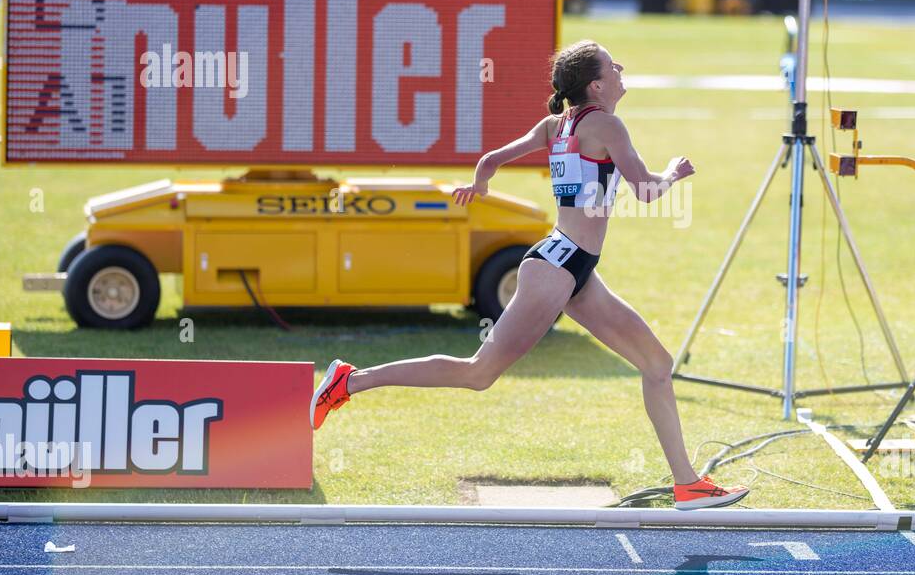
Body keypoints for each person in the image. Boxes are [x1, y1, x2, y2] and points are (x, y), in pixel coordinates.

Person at [311, 41, 749, 511]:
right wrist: (673, 173)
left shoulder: (555, 125)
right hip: (557, 268)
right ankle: (350, 380)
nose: (621, 67)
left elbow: (490, 161)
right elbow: (645, 190)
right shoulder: (604, 123)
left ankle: (687, 484)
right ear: (596, 85)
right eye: (612, 64)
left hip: (573, 268)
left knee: (657, 366)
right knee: (479, 374)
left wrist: (478, 184)